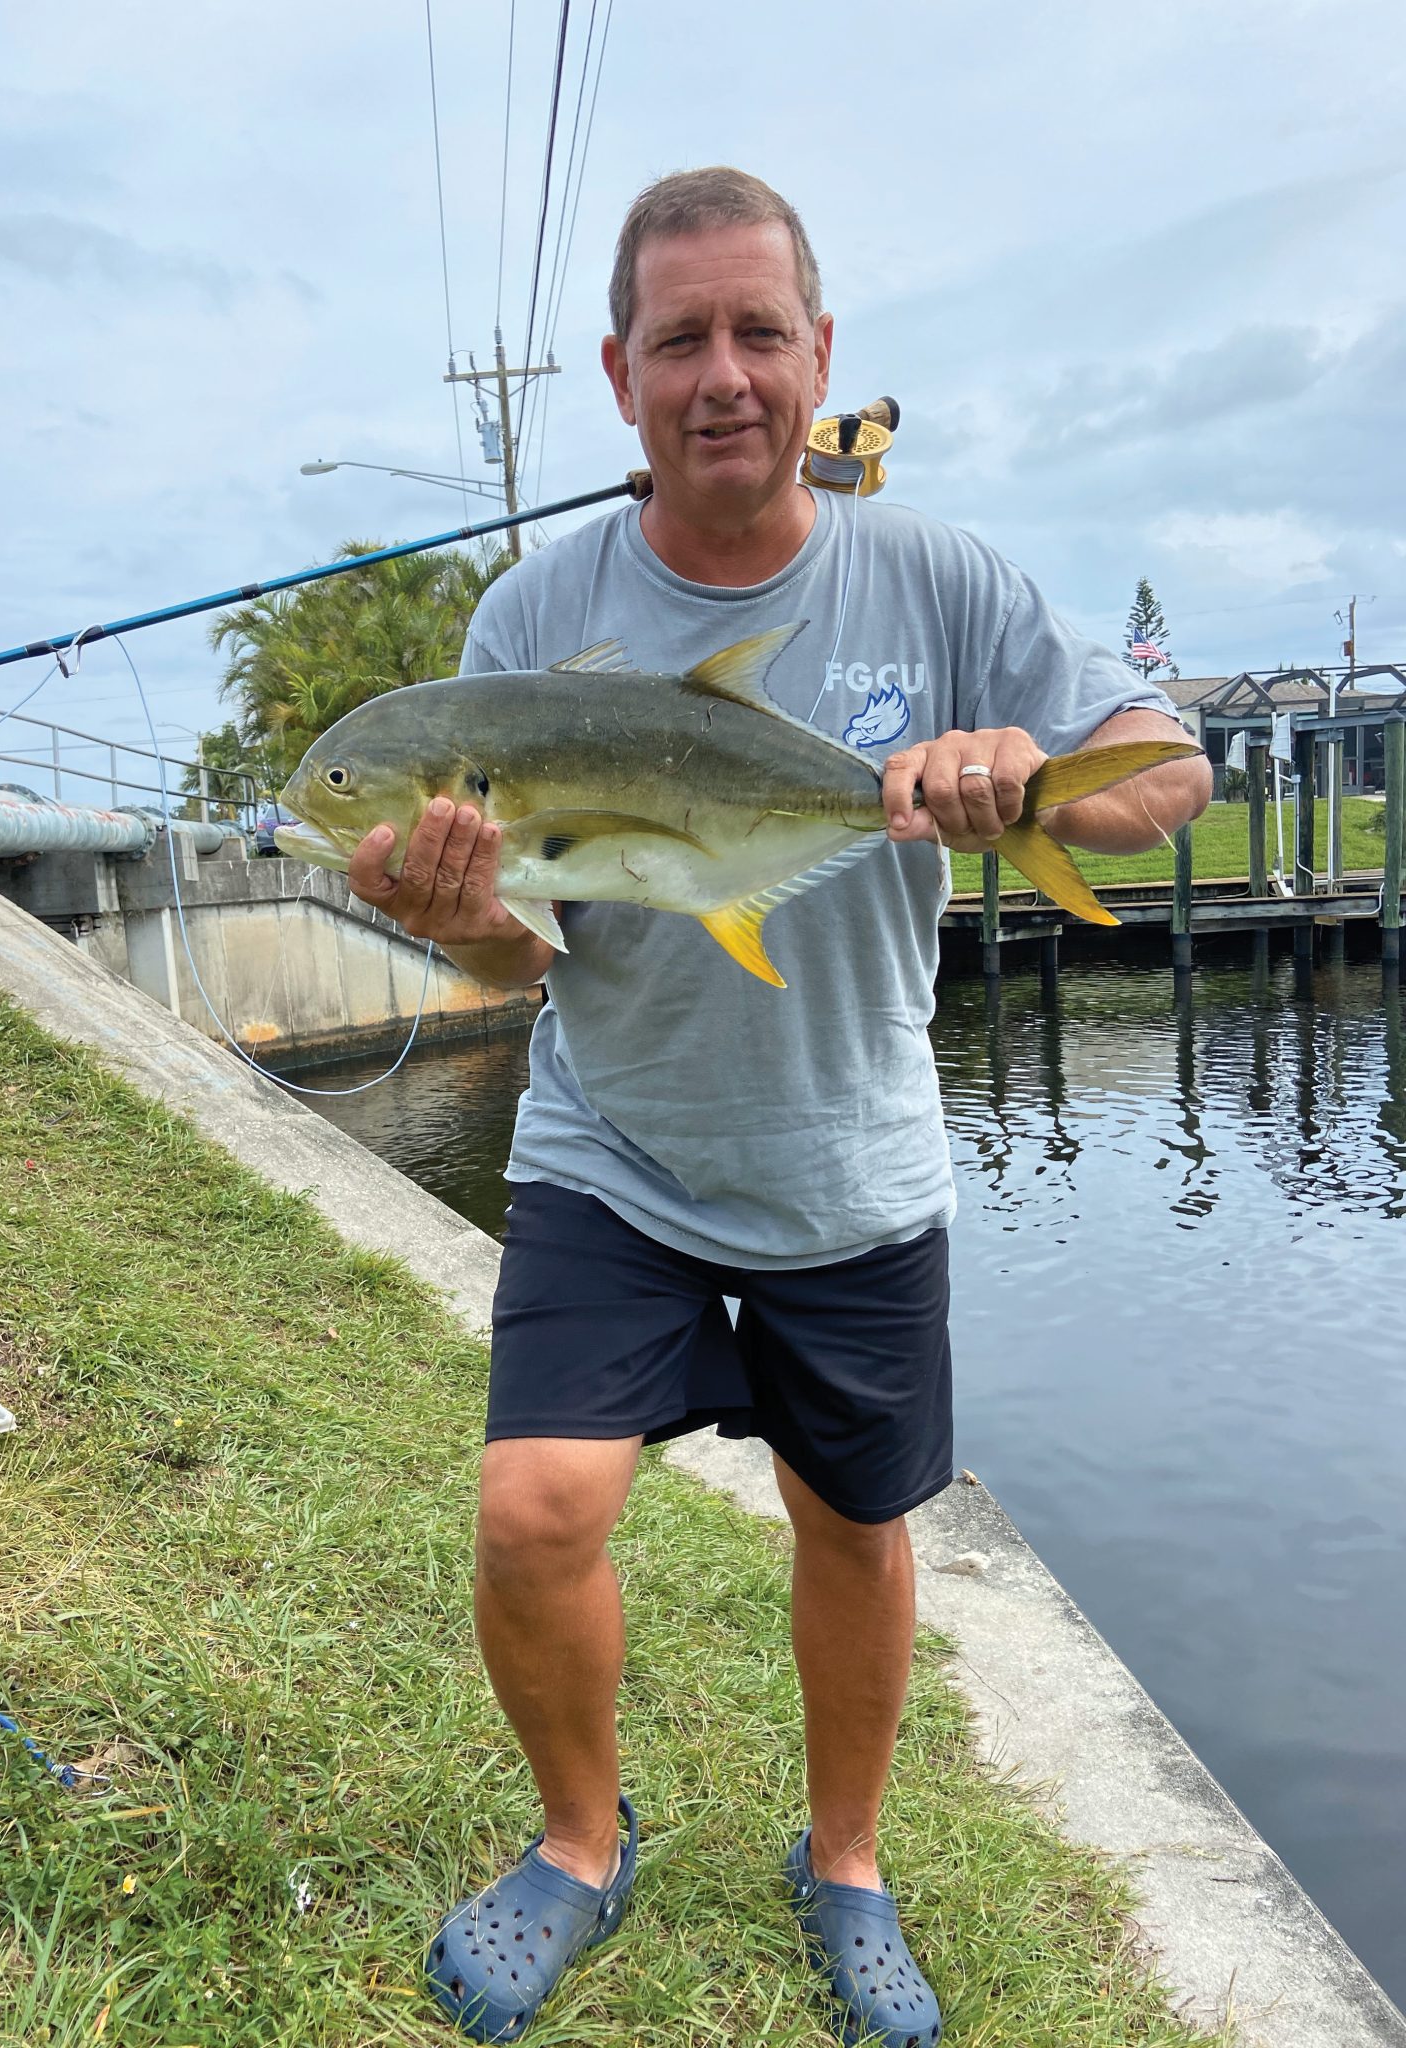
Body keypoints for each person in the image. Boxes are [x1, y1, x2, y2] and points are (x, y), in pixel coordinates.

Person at [346, 167, 1211, 2047]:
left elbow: (1170, 777)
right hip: (615, 1142)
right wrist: (466, 921)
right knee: (533, 1509)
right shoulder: (536, 617)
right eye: (681, 340)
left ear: (819, 356)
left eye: (758, 332)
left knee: (857, 1522)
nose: (721, 373)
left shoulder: (947, 581)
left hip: (853, 1155)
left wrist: (1034, 772)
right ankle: (583, 1844)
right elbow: (525, 973)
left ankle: (849, 1865)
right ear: (619, 373)